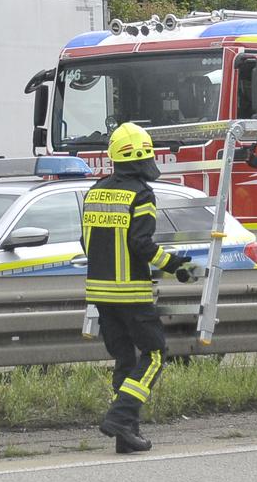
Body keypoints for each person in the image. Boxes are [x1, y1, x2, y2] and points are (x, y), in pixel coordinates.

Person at [82, 122, 194, 453]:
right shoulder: (142, 194)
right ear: (146, 157)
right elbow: (141, 244)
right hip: (131, 292)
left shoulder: (96, 191)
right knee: (156, 354)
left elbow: (86, 242)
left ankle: (126, 436)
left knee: (125, 362)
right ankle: (120, 417)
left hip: (99, 293)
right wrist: (175, 265)